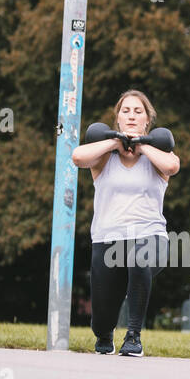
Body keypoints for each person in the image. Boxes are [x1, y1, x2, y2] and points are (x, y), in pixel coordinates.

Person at [72, 89, 180, 356]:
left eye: (138, 111)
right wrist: (114, 142)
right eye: (126, 111)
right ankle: (105, 333)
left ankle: (133, 336)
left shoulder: (157, 156)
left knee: (139, 257)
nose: (131, 116)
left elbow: (172, 166)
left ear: (147, 120)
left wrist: (142, 145)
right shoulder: (104, 157)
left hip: (150, 235)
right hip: (108, 239)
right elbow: (77, 157)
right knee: (102, 320)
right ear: (118, 118)